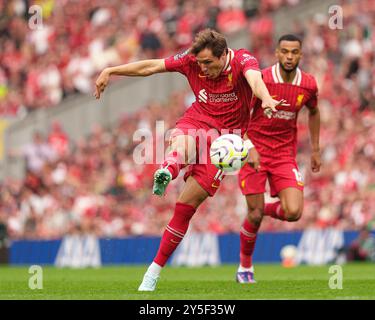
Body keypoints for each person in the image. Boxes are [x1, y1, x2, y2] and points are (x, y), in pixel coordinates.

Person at [95, 28, 285, 291]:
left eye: (208, 63)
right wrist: (111, 70)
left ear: (223, 55)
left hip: (225, 142)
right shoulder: (191, 60)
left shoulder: (242, 60)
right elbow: (151, 66)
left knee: (185, 208)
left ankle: (154, 269)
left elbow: (255, 80)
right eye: (200, 63)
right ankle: (168, 170)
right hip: (198, 120)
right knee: (184, 139)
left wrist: (265, 98)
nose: (203, 68)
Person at [237, 34, 321, 283]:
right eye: (284, 51)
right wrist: (248, 145)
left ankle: (262, 210)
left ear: (301, 55)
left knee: (294, 211)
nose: (289, 56)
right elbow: (241, 112)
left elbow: (314, 111)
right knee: (253, 215)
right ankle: (245, 266)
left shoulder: (308, 84)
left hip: (284, 154)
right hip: (254, 152)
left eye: (294, 52)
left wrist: (315, 149)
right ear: (276, 53)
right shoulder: (260, 79)